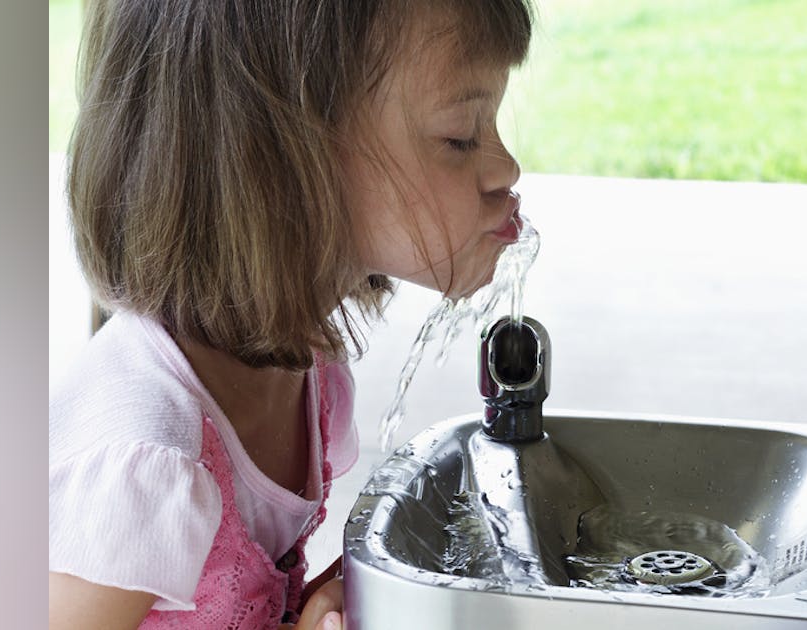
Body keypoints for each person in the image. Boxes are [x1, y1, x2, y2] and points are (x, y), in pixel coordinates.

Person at [49, 1, 533, 628]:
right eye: (460, 136)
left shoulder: (310, 378)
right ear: (279, 162)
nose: (505, 167)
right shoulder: (143, 465)